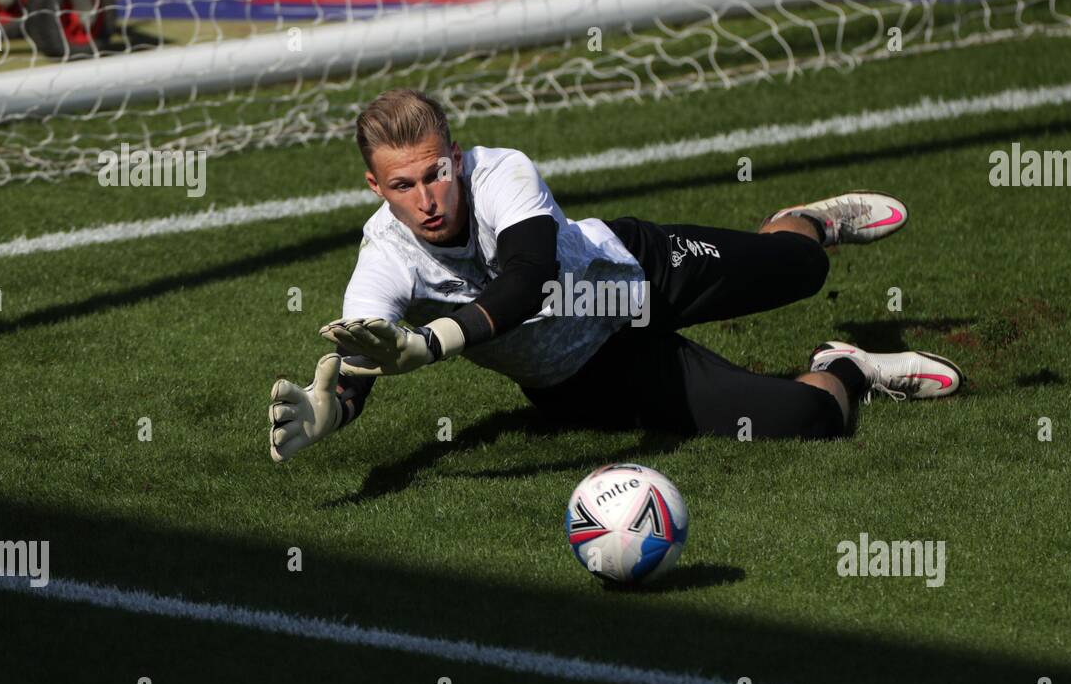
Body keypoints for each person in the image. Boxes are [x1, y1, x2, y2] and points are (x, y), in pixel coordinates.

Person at [269, 88, 962, 463]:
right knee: (803, 420)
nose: (426, 198)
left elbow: (531, 275)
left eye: (434, 173)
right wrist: (337, 409)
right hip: (586, 375)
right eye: (402, 185)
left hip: (636, 274)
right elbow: (364, 350)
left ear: (454, 156)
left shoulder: (501, 170)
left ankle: (805, 219)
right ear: (375, 187)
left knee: (804, 268)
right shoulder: (382, 257)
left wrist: (435, 341)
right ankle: (851, 367)